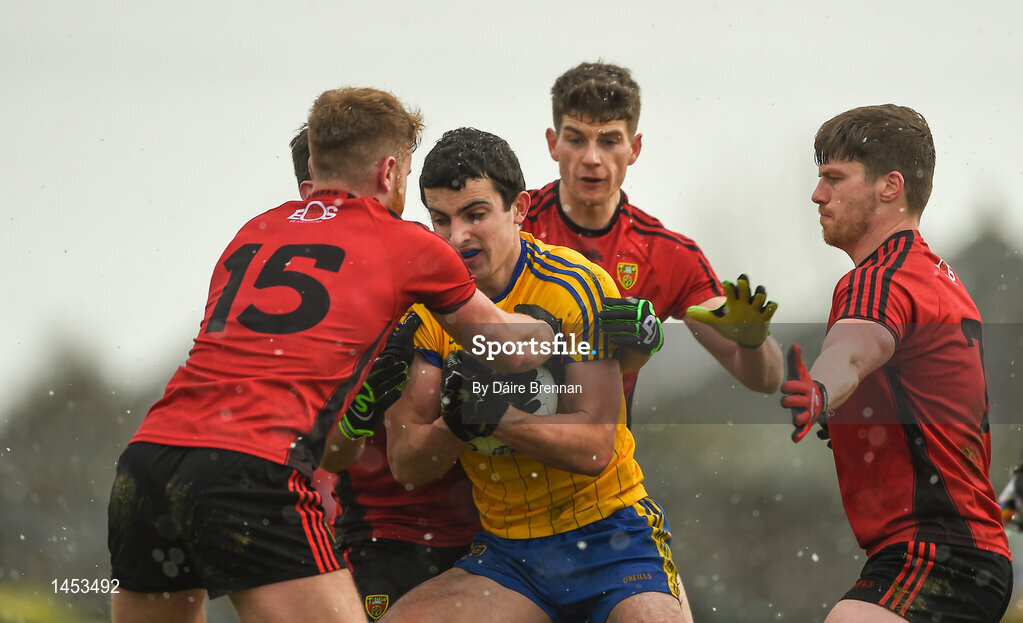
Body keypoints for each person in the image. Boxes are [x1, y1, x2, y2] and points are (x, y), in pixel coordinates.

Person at [106, 87, 556, 623]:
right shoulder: (405, 243)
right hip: (251, 469)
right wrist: (552, 328)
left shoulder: (252, 233)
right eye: (407, 177)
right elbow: (505, 348)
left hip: (148, 461)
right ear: (389, 171)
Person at [382, 127, 691, 623]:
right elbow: (406, 464)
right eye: (441, 219)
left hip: (613, 537)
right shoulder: (421, 313)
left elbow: (594, 447)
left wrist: (494, 416)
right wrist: (456, 423)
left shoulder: (577, 285)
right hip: (510, 556)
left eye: (475, 214)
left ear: (520, 208)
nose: (457, 236)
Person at [780, 104, 1012, 622]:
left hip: (935, 554)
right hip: (973, 554)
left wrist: (821, 389)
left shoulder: (877, 279)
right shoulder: (939, 279)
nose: (818, 195)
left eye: (834, 179)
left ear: (890, 187)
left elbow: (855, 348)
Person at [289, 124, 482, 621]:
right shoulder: (291, 302)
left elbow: (528, 349)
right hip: (380, 533)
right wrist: (356, 418)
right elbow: (323, 451)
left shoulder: (430, 258)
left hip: (487, 531)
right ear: (307, 192)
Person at [522, 61, 783, 424]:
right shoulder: (514, 225)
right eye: (576, 139)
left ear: (634, 148)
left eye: (610, 140)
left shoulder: (668, 256)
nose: (592, 158)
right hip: (495, 457)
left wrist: (753, 340)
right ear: (554, 144)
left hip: (603, 466)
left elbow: (766, 379)